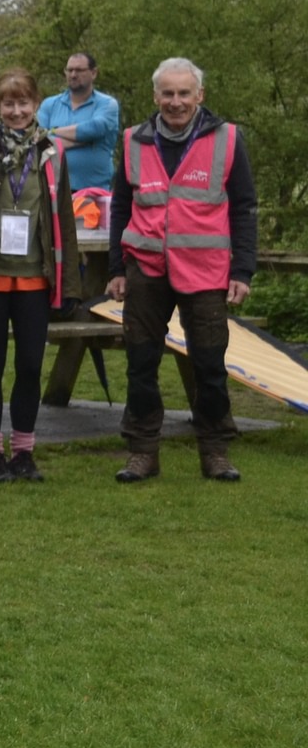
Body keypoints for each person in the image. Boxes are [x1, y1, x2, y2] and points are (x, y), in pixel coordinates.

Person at [106, 57, 257, 482]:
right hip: (145, 268)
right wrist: (117, 267)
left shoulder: (228, 139)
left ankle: (215, 450)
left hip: (207, 270)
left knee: (209, 365)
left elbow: (244, 207)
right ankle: (142, 452)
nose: (176, 102)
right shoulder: (134, 139)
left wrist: (242, 270)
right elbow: (120, 205)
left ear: (199, 96)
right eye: (167, 94)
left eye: (184, 93)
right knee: (140, 362)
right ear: (155, 97)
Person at [0, 69, 81, 483]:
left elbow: (65, 221)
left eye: (23, 103)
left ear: (37, 104)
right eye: (8, 103)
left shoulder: (52, 152)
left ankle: (23, 452)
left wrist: (69, 282)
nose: (16, 111)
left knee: (31, 366)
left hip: (36, 276)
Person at [37, 51, 121, 195]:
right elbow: (38, 140)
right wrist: (85, 141)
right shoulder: (49, 105)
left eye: (79, 70)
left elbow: (94, 129)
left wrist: (53, 131)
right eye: (69, 70)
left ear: (94, 73)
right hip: (53, 190)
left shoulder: (107, 104)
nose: (73, 75)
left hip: (94, 192)